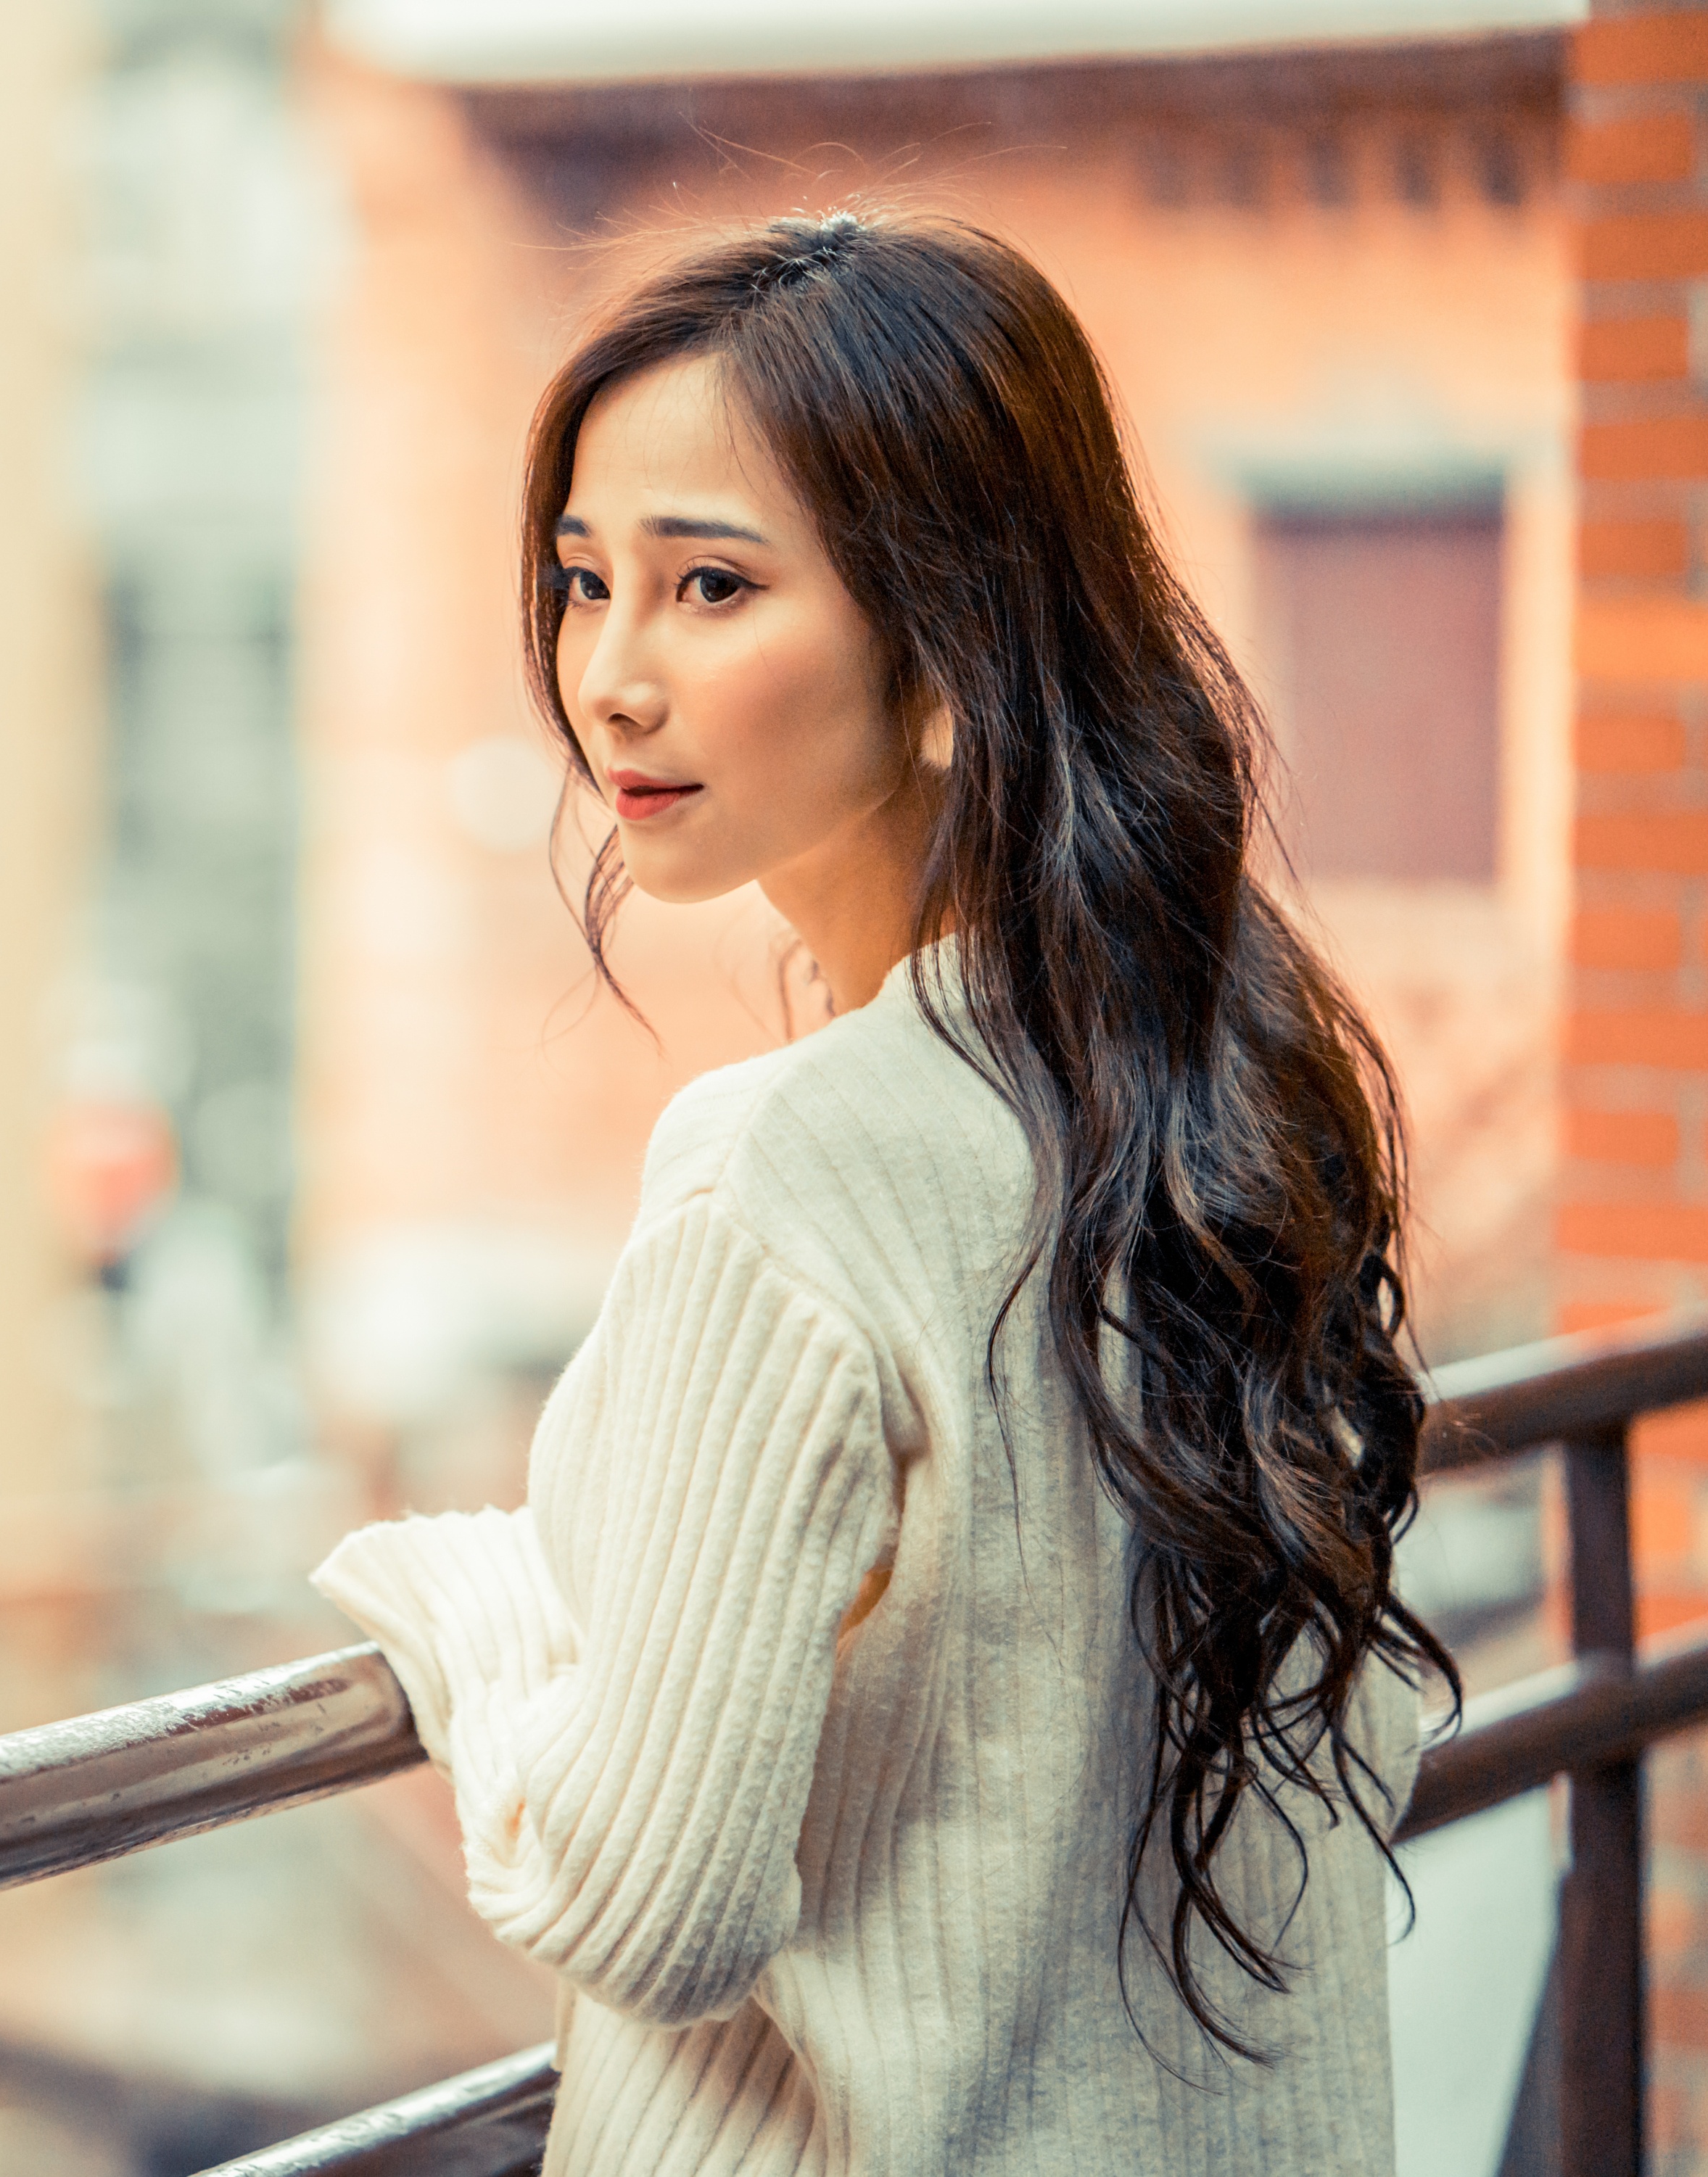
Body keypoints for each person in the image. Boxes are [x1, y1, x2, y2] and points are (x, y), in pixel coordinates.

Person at [310, 212, 1453, 2175]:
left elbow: (644, 1904)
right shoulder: (1217, 1077)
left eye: (711, 587)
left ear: (948, 651)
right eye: (586, 583)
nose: (610, 677)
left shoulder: (790, 1163)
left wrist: (468, 1602)